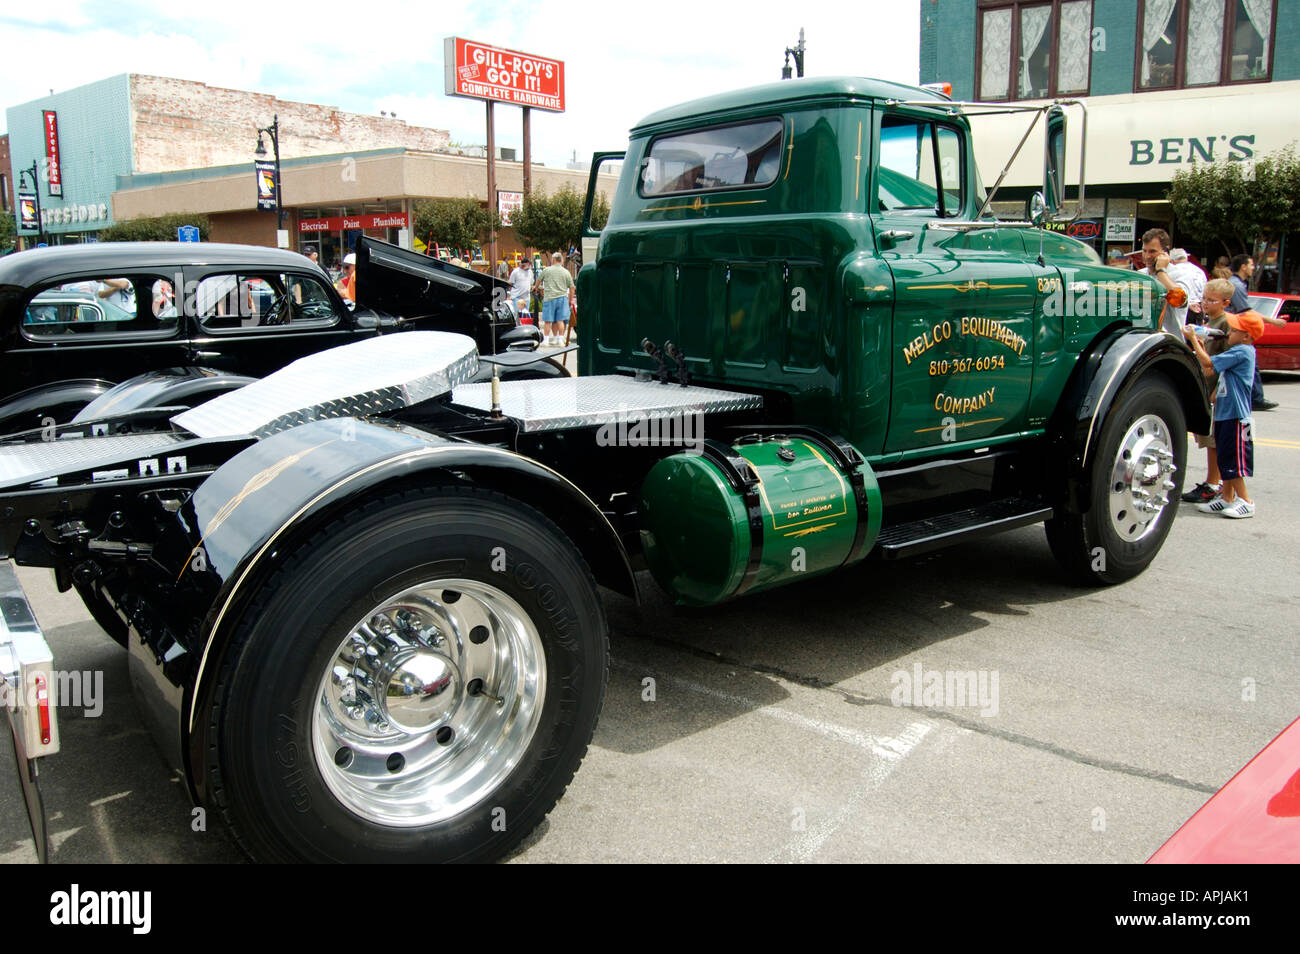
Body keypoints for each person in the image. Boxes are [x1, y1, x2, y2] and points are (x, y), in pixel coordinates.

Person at [1182, 310, 1265, 519]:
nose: (1230, 332)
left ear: (1246, 336)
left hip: (1236, 417)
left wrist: (1193, 339)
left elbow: (1208, 363)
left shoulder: (1242, 351)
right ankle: (1227, 497)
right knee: (1224, 458)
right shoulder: (1237, 350)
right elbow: (1212, 369)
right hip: (1225, 415)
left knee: (1233, 461)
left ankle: (1245, 500)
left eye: (1235, 330)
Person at [1179, 278, 1234, 504]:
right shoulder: (1209, 321)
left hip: (1216, 390)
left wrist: (1216, 390)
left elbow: (1220, 363)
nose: (1206, 303)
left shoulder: (1225, 325)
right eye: (1204, 298)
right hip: (1207, 385)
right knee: (1206, 439)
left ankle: (1213, 484)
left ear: (1226, 302)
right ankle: (1213, 482)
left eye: (1212, 300)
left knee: (1213, 442)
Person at [1226, 254, 1278, 411]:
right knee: (1249, 361)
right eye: (1251, 264)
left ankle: (1253, 397)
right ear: (1243, 266)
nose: (1253, 267)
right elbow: (1245, 311)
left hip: (1234, 327)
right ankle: (1255, 398)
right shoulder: (1237, 285)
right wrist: (1273, 321)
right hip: (1236, 329)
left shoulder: (1236, 284)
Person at [1137, 228, 1191, 333]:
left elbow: (1180, 301)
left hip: (1168, 341)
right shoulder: (1140, 274)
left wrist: (1160, 271)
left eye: (1152, 251)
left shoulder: (1180, 274)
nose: (1147, 256)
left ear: (1165, 252)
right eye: (1144, 251)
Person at [538, 251, 576, 346]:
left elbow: (538, 280)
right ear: (561, 261)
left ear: (553, 260)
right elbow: (572, 287)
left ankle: (546, 340)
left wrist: (535, 287)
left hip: (549, 298)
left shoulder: (547, 270)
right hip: (562, 298)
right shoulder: (566, 272)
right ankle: (559, 339)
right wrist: (570, 299)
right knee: (560, 320)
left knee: (548, 321)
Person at [1167, 249, 1205, 316]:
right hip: (1199, 308)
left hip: (1182, 310)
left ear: (1171, 261)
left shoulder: (1172, 271)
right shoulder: (1200, 271)